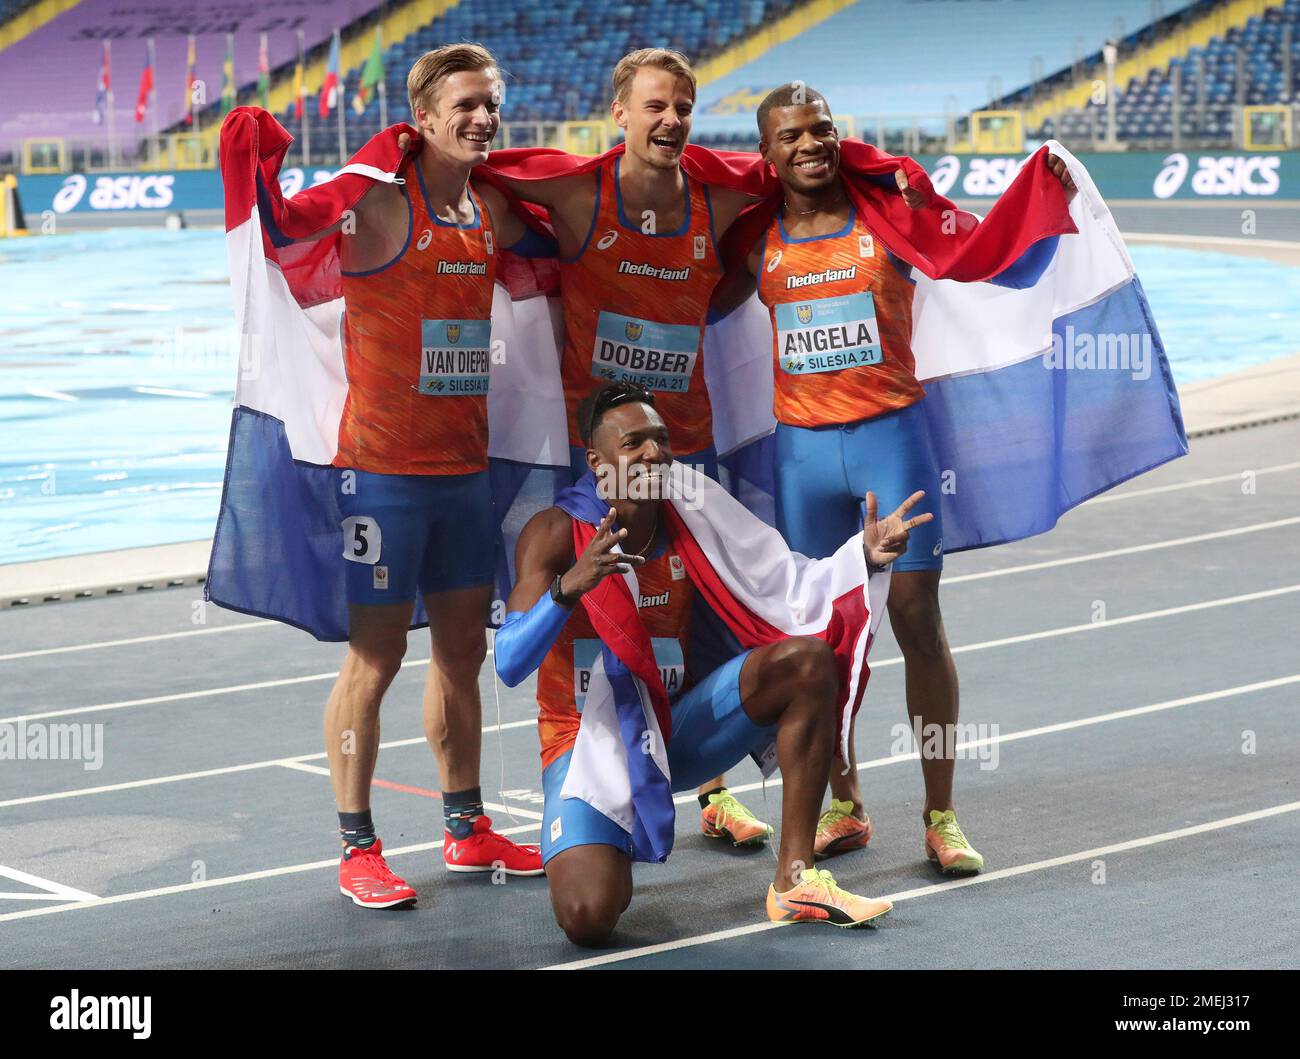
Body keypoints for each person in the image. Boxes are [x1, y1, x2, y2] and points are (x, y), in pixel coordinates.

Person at [715, 83, 1078, 873]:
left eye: (823, 130)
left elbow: (980, 254)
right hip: (803, 453)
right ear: (767, 154)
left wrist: (1043, 192)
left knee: (915, 617)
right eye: (791, 136)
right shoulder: (754, 237)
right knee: (822, 636)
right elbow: (687, 307)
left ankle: (941, 813)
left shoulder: (889, 212)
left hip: (892, 441)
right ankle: (845, 801)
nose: (810, 144)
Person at [495, 381, 933, 945]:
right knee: (588, 917)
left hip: (678, 729)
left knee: (808, 661)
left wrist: (862, 557)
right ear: (598, 462)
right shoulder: (554, 533)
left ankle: (795, 881)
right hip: (589, 748)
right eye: (635, 444)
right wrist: (566, 590)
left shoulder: (694, 508)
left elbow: (786, 585)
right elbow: (508, 661)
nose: (655, 454)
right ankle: (601, 835)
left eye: (661, 439)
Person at [481, 47, 775, 847]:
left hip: (691, 450)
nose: (671, 119)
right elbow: (480, 174)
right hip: (605, 460)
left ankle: (711, 787)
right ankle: (587, 759)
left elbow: (780, 183)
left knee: (699, 610)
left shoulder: (713, 203)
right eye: (655, 105)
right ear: (620, 112)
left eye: (684, 107)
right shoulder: (580, 192)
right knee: (616, 606)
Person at [325, 44, 553, 907]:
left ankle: (466, 829)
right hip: (381, 474)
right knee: (373, 660)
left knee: (463, 652)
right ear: (421, 116)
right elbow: (295, 224)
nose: (482, 118)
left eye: (492, 104)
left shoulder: (489, 208)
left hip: (464, 469)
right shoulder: (381, 206)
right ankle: (356, 845)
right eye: (464, 105)